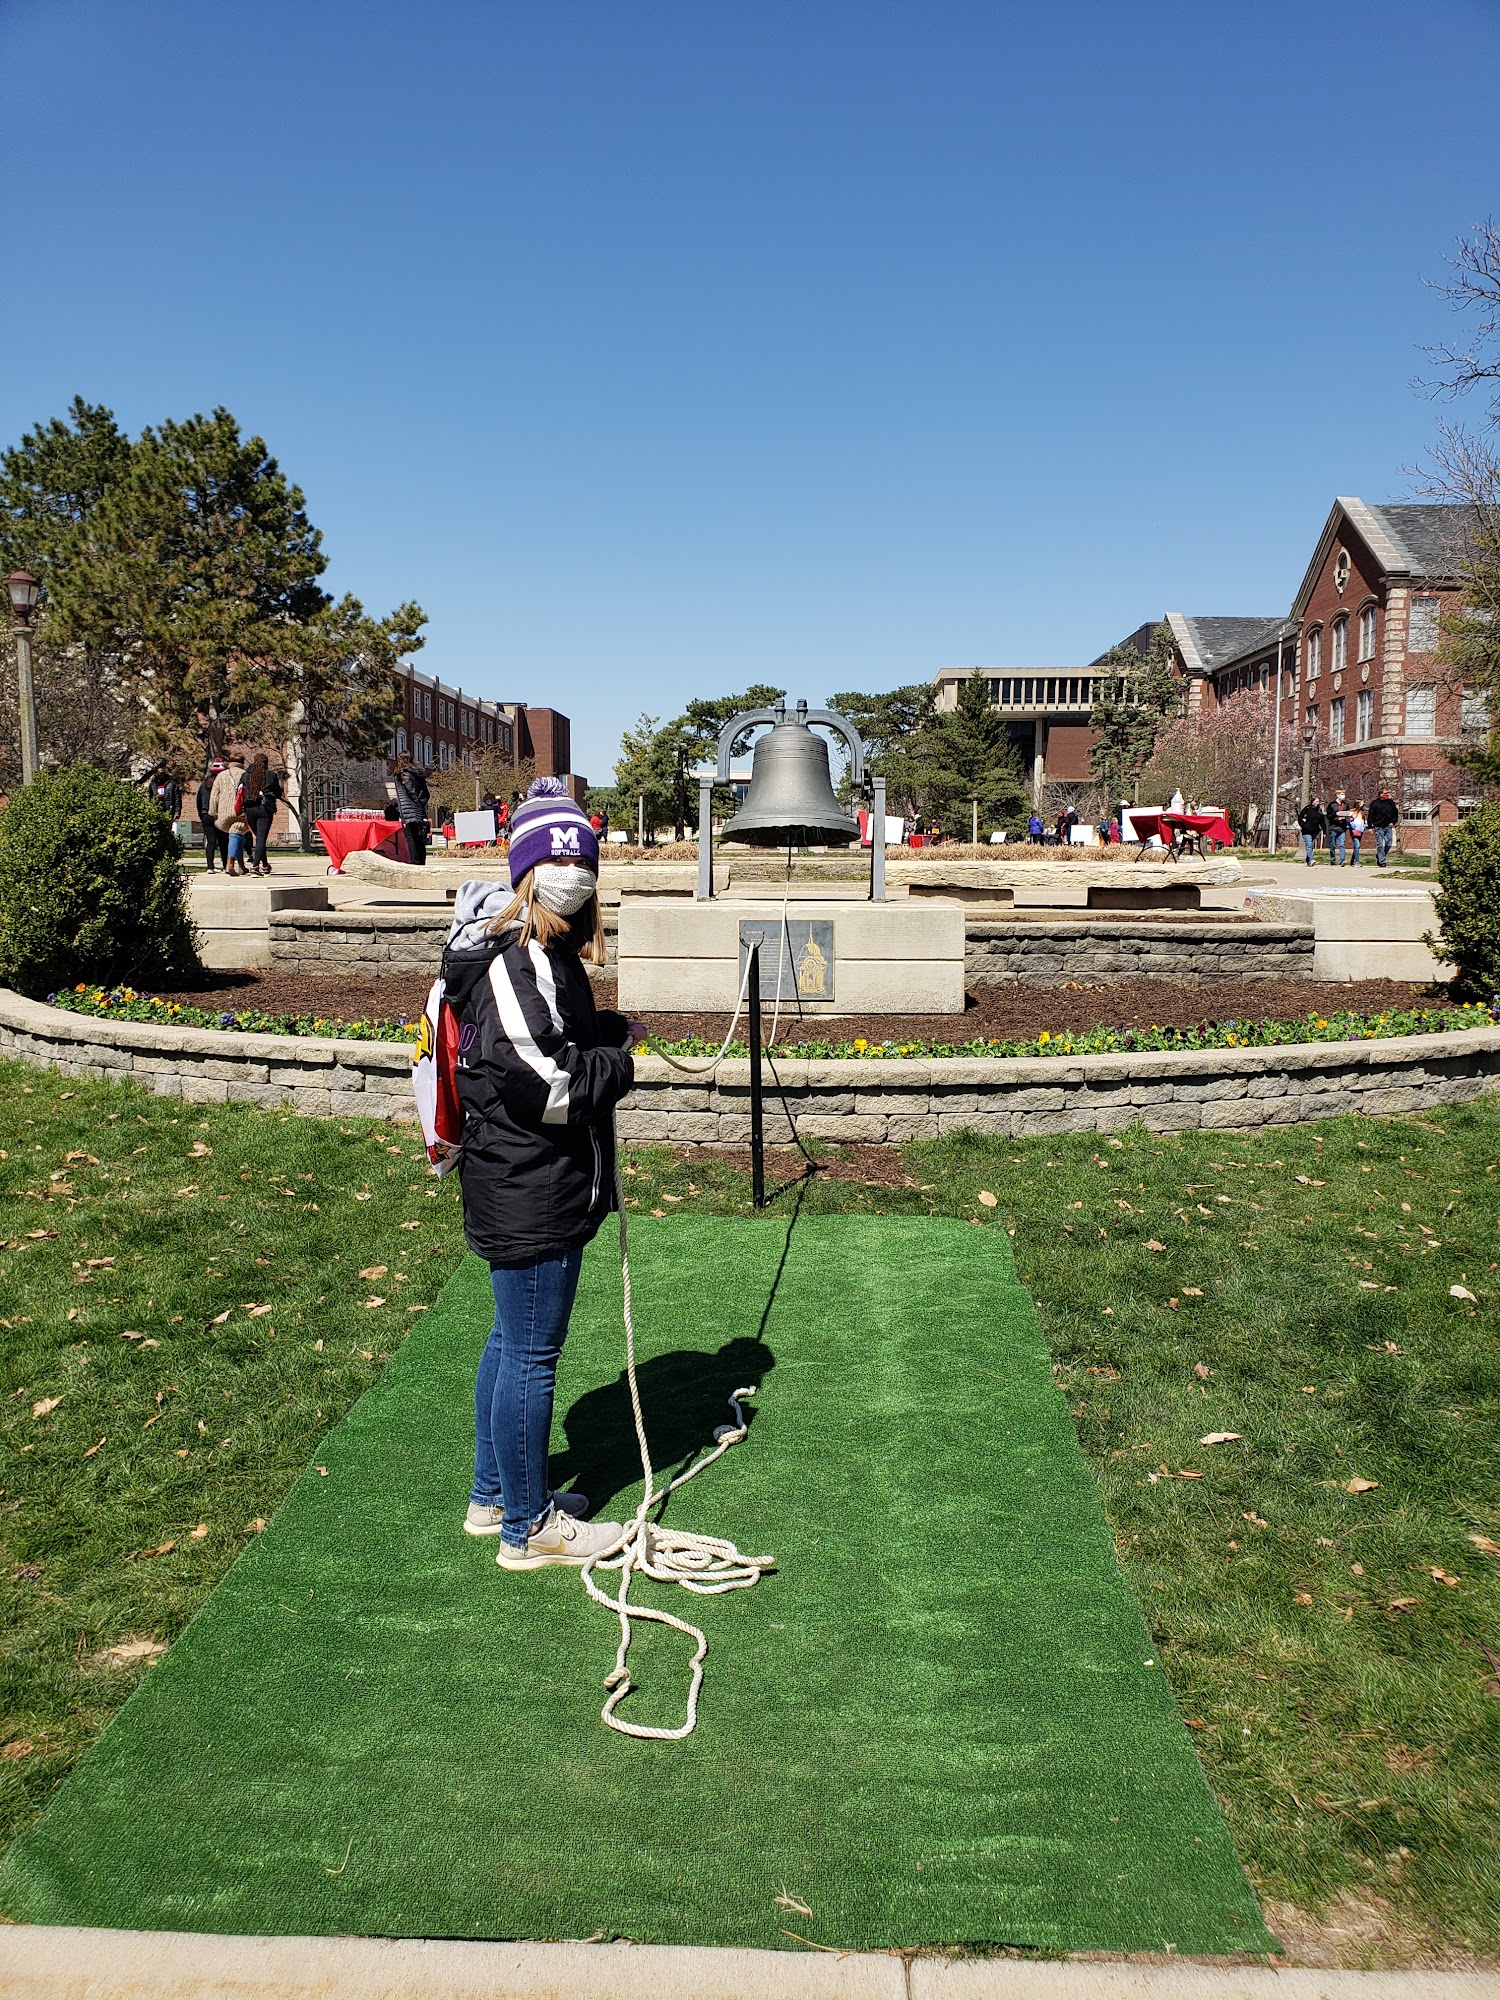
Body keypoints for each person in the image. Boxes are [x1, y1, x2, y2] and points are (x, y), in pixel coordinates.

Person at [443, 779, 645, 1568]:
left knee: (511, 1341)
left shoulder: (546, 953)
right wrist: (617, 1065)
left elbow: (558, 1036)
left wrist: (603, 1030)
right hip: (529, 1188)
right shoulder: (512, 963)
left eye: (582, 859)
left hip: (537, 1185)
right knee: (531, 1355)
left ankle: (493, 1499)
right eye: (558, 860)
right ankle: (529, 1530)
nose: (573, 872)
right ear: (528, 873)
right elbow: (550, 1086)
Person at [241, 753, 284, 876]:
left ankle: (264, 865)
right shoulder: (271, 776)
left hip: (249, 809)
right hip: (265, 809)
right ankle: (255, 866)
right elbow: (278, 793)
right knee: (261, 838)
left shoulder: (246, 776)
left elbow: (240, 791)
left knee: (259, 838)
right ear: (266, 763)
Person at [390, 754, 431, 866]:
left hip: (409, 810)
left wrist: (417, 805)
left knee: (410, 836)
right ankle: (421, 862)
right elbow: (426, 794)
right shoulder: (418, 774)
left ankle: (415, 862)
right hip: (418, 809)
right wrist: (421, 807)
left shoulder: (403, 774)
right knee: (419, 838)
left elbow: (410, 792)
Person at [210, 757, 245, 875]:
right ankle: (229, 864)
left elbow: (214, 796)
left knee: (236, 834)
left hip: (223, 813)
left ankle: (241, 866)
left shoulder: (221, 776)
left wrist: (213, 813)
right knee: (237, 832)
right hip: (240, 812)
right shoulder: (245, 774)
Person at [197, 761, 228, 871]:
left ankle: (210, 866)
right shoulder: (222, 785)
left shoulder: (203, 785)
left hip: (206, 815)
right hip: (219, 815)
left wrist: (202, 815)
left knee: (211, 842)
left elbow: (198, 802)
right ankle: (226, 865)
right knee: (223, 842)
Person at [1368, 789, 1398, 866]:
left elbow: (1395, 813)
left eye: (1388, 793)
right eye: (1385, 793)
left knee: (1389, 843)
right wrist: (1370, 826)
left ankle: (1380, 855)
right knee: (1380, 845)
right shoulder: (1375, 803)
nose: (1387, 794)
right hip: (1378, 826)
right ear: (1381, 794)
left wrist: (1393, 822)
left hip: (1388, 826)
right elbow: (1370, 815)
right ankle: (1382, 861)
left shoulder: (1390, 803)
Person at [1297, 795, 1325, 866]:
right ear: (1312, 802)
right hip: (1306, 831)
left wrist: (1324, 831)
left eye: (1318, 801)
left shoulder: (1319, 811)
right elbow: (1300, 817)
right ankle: (1311, 859)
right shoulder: (1307, 809)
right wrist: (1303, 825)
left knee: (1311, 846)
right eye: (1316, 801)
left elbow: (1322, 822)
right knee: (1309, 845)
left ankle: (1308, 860)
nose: (1318, 803)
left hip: (1315, 831)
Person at [1326, 791, 1349, 867]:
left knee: (1342, 844)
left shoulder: (1345, 804)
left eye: (1344, 794)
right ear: (1337, 795)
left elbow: (1348, 813)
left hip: (1342, 827)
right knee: (1332, 845)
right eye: (1342, 794)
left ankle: (1342, 860)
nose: (1343, 796)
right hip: (1333, 827)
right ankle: (1332, 860)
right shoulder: (1332, 805)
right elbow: (1328, 816)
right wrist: (1335, 814)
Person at [1347, 802, 1367, 867]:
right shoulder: (1352, 812)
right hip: (1354, 830)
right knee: (1357, 845)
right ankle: (1357, 862)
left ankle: (1352, 862)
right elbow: (1348, 820)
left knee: (1356, 847)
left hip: (1360, 831)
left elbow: (1364, 821)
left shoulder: (1362, 812)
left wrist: (1364, 827)